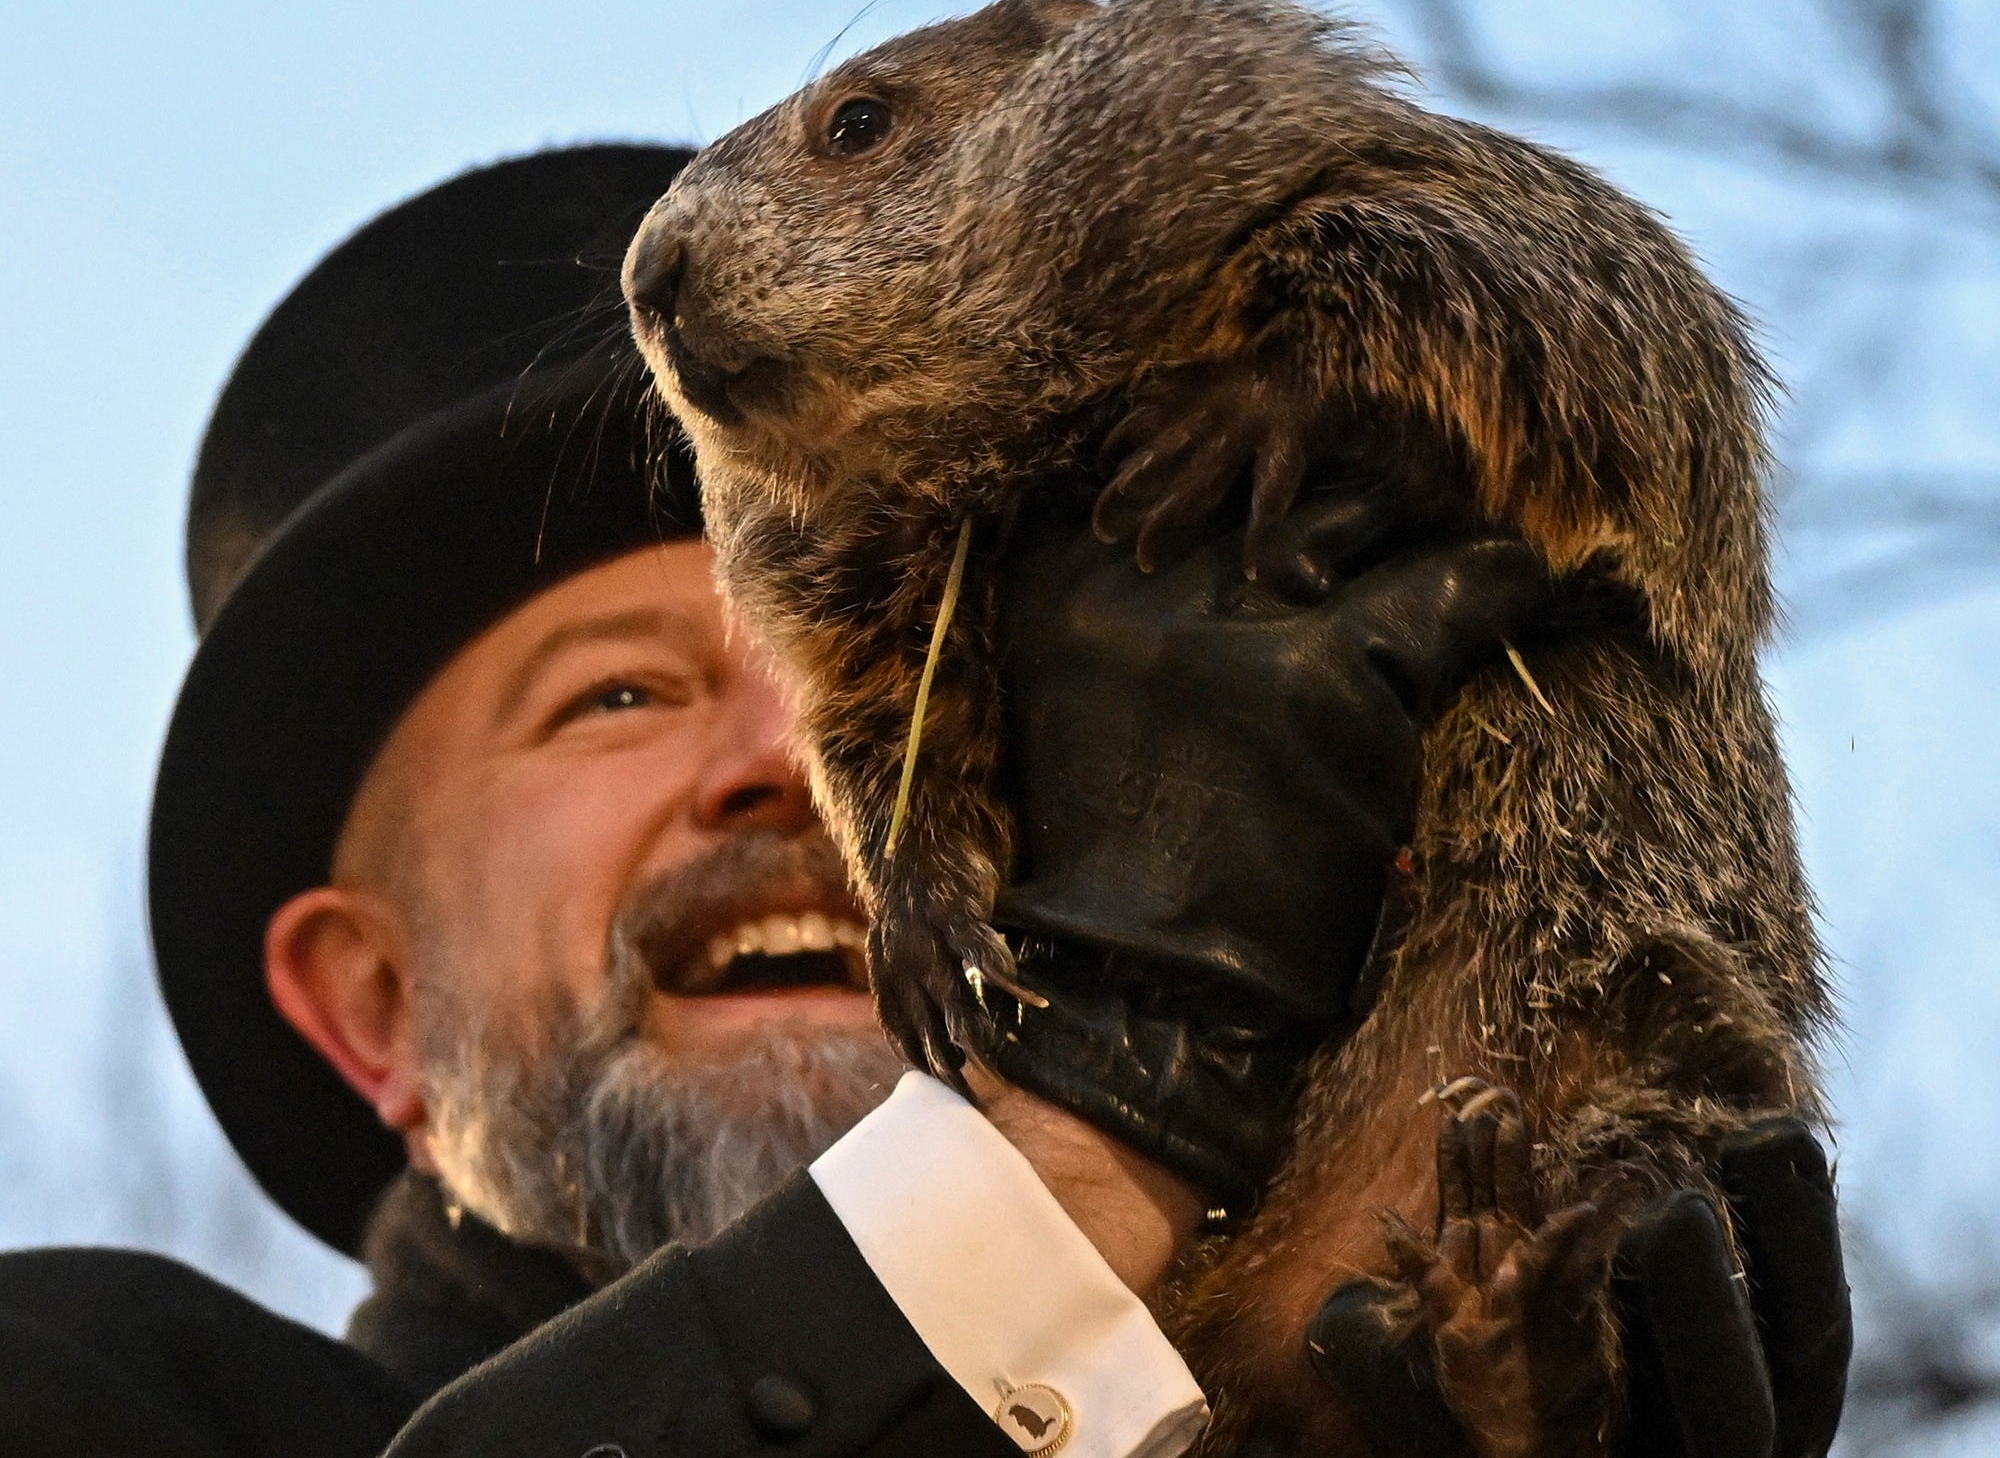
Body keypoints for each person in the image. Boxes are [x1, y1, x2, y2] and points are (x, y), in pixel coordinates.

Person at [0, 146, 1849, 1458]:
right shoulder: (83, 1389)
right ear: (373, 1004)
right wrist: (1101, 1118)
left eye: (884, 677)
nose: (793, 760)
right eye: (620, 692)